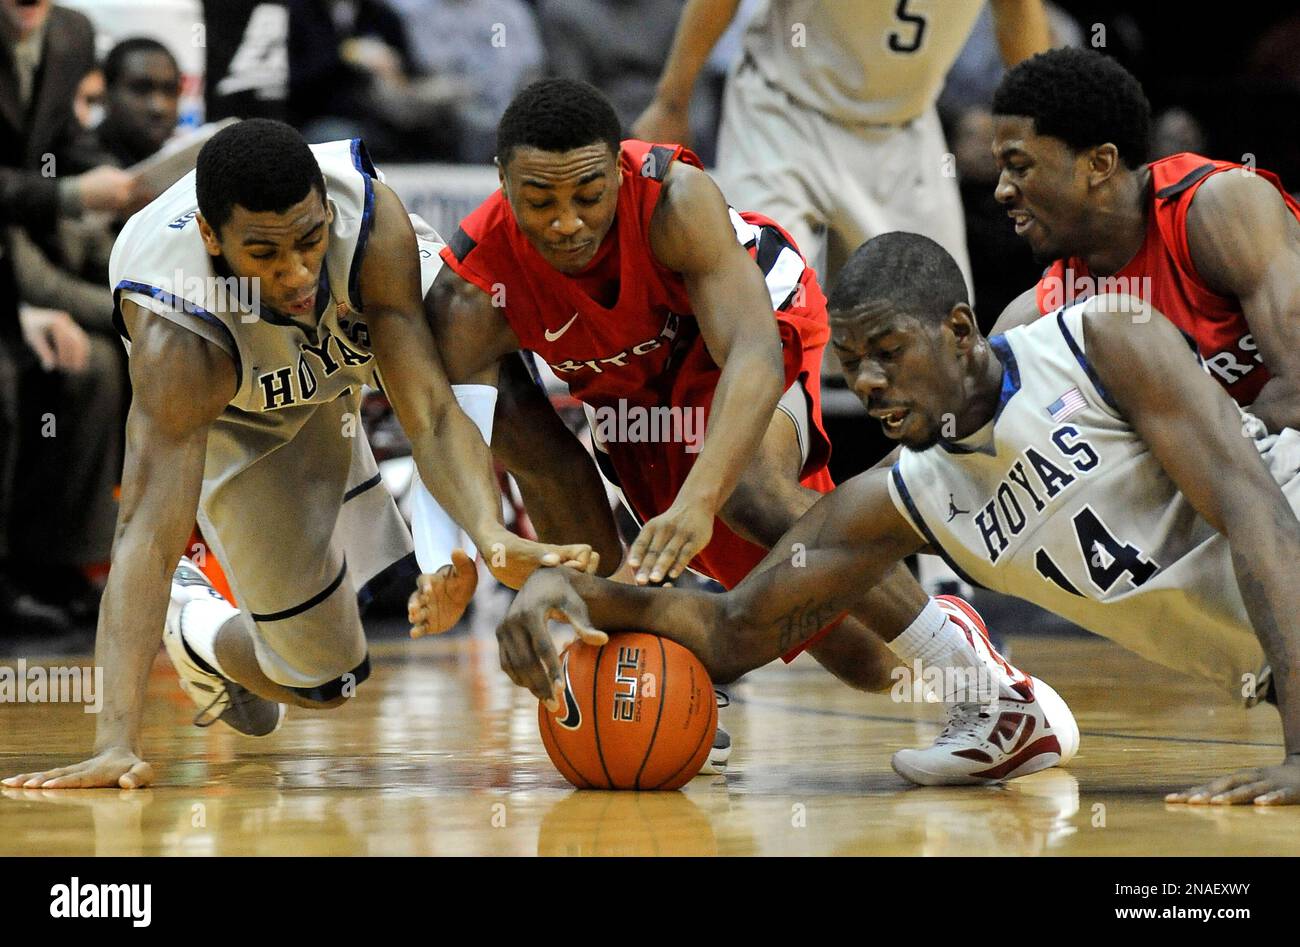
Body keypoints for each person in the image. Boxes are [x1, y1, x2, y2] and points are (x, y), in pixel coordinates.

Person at [407, 79, 1076, 780]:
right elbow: (546, 469)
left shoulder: (672, 199)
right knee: (863, 661)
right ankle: (675, 698)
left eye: (589, 196)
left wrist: (698, 497)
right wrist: (473, 555)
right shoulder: (471, 295)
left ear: (618, 171)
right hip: (635, 390)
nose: (568, 221)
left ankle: (990, 687)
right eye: (540, 201)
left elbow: (753, 354)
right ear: (503, 184)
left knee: (745, 493)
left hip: (743, 330)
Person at [498, 232, 1300, 804]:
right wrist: (572, 593)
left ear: (958, 329)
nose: (871, 381)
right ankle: (993, 698)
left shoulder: (1099, 341)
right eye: (853, 364)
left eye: (889, 351)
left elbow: (1255, 510)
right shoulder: (900, 495)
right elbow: (736, 628)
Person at [2, 119, 595, 790]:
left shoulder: (369, 228)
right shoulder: (179, 337)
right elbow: (144, 533)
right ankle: (197, 628)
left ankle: (622, 638)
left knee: (485, 364)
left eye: (311, 240)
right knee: (323, 682)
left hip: (349, 350)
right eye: (265, 253)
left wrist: (480, 537)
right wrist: (116, 741)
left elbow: (429, 411)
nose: (297, 272)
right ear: (210, 237)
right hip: (248, 410)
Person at [989, 48, 1300, 431]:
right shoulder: (1039, 316)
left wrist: (1197, 464)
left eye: (1018, 168)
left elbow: (1298, 391)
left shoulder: (1219, 208)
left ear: (1099, 164)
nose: (1001, 191)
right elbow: (936, 462)